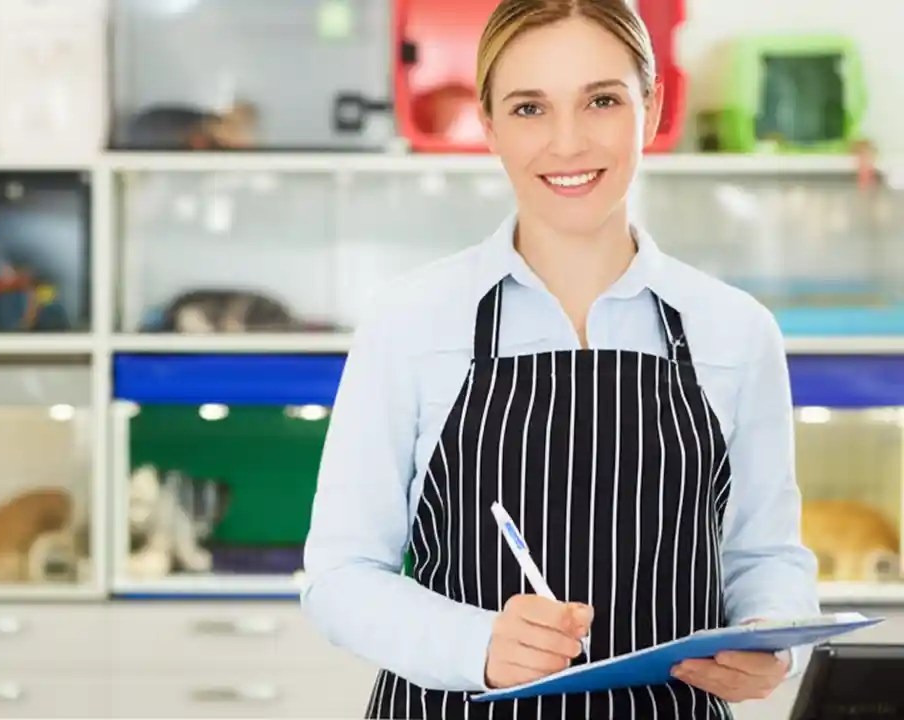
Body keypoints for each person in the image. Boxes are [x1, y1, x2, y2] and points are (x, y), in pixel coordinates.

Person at [299, 0, 821, 718]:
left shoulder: (735, 331)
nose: (568, 143)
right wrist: (476, 643)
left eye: (602, 100)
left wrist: (772, 641)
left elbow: (765, 558)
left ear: (653, 103)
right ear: (488, 126)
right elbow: (339, 575)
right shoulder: (409, 322)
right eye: (528, 109)